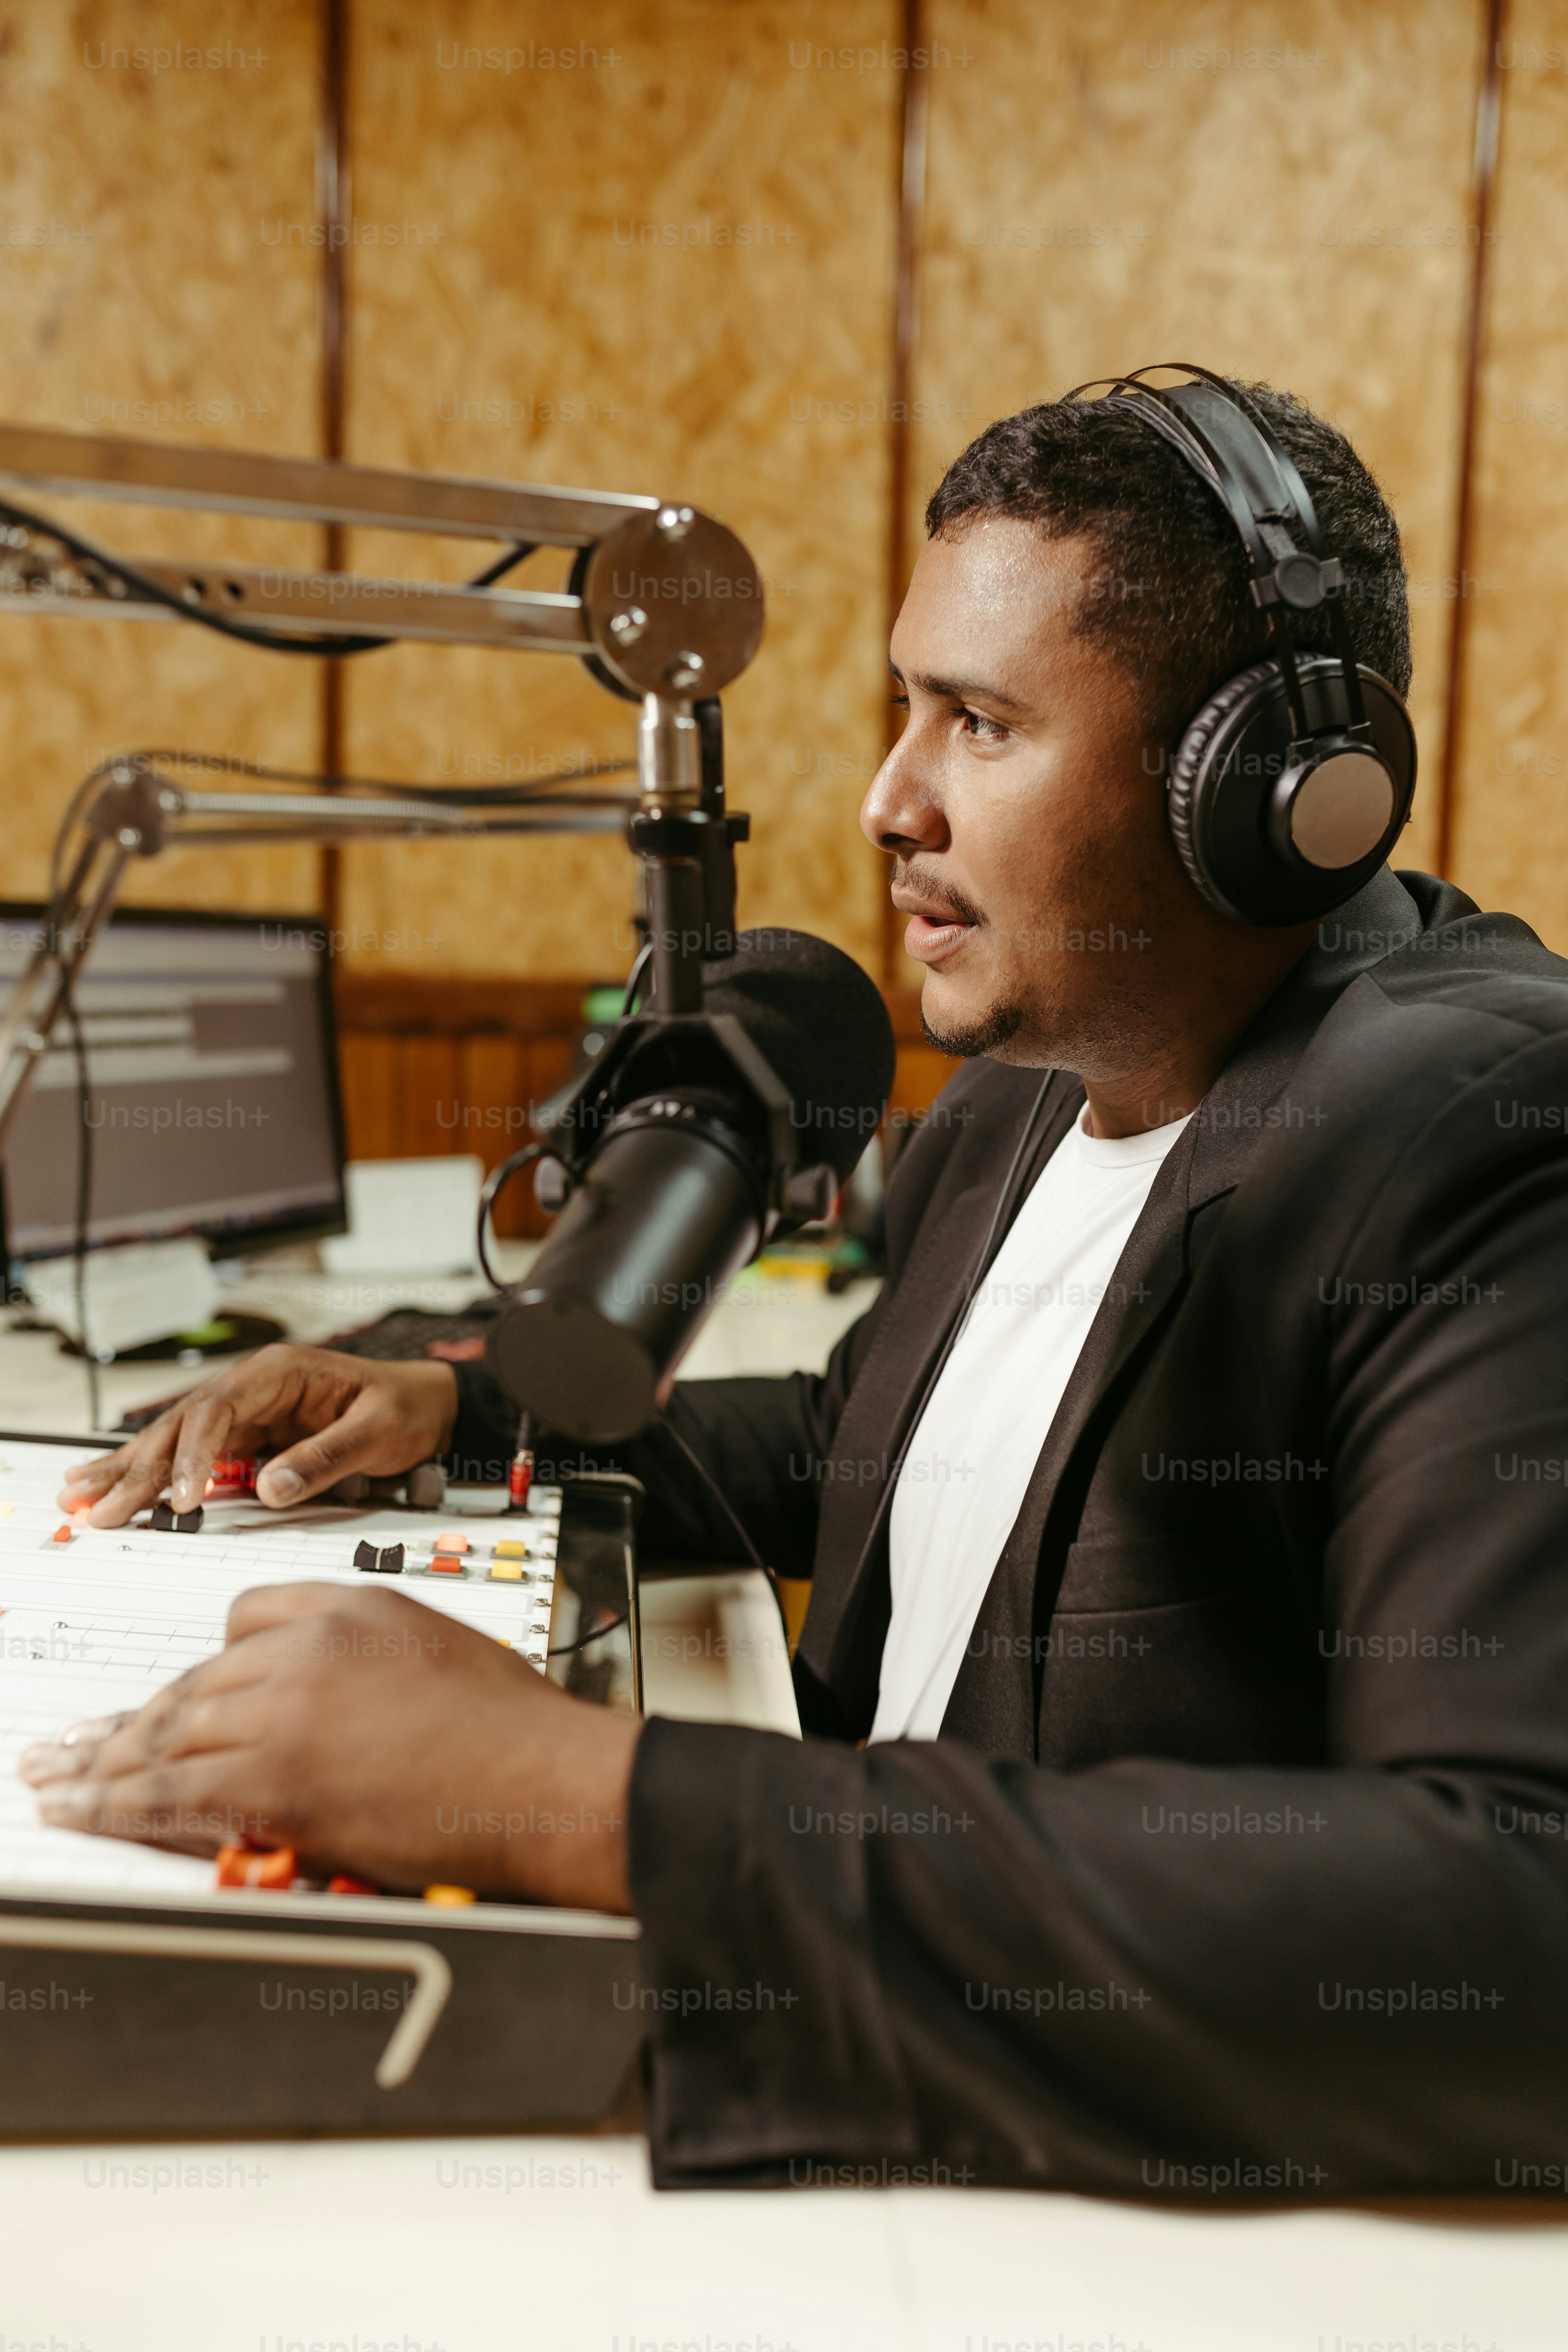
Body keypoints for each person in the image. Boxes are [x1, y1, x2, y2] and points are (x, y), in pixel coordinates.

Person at [25, 376, 1568, 2194]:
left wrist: (573, 1799)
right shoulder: (1016, 1100)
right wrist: (456, 1402)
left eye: (981, 725)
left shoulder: (1487, 1143)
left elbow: (1507, 1919)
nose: (886, 802)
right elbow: (873, 1444)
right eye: (907, 709)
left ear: (1271, 788)